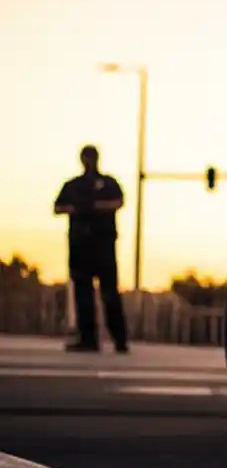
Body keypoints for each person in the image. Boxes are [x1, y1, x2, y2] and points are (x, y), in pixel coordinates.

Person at [53, 145, 129, 353]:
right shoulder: (73, 185)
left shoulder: (108, 183)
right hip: (80, 245)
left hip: (103, 245)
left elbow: (119, 201)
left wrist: (95, 207)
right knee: (83, 296)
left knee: (110, 294)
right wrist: (78, 208)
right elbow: (58, 207)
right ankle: (88, 339)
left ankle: (119, 339)